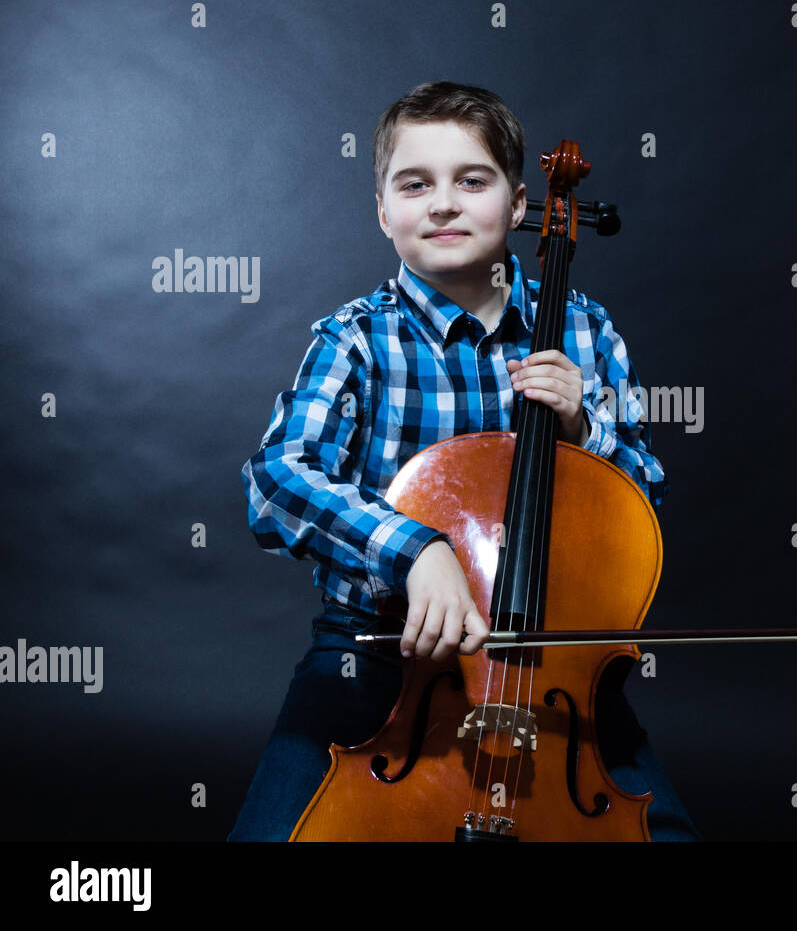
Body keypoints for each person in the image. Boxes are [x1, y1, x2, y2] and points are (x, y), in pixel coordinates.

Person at [228, 81, 698, 841]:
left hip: (552, 671)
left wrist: (586, 429)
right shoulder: (355, 339)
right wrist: (415, 552)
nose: (442, 204)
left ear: (518, 205)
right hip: (379, 658)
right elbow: (277, 479)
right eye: (415, 185)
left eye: (470, 181)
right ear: (384, 211)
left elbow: (644, 502)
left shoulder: (584, 328)